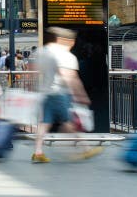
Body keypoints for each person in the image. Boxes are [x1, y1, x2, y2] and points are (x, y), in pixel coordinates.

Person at [32, 27, 99, 163]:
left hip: (45, 93)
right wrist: (81, 95)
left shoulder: (41, 52)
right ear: (63, 40)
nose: (72, 43)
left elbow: (33, 70)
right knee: (69, 122)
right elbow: (70, 77)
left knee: (44, 123)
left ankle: (38, 152)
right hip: (60, 93)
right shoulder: (65, 55)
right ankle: (86, 148)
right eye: (71, 41)